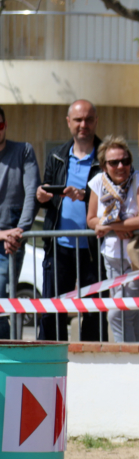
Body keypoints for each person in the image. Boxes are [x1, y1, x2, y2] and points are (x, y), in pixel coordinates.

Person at [36, 99, 106, 341]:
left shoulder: (107, 156)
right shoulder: (56, 155)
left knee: (94, 314)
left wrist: (85, 196)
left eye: (88, 119)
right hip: (59, 248)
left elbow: (115, 193)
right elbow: (46, 197)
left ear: (96, 121)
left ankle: (93, 367)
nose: (83, 124)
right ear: (69, 122)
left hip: (94, 249)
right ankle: (49, 366)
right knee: (52, 313)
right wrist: (41, 195)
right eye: (78, 119)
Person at [86, 137, 139, 343]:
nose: (121, 166)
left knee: (122, 312)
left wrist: (112, 227)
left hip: (134, 256)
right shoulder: (97, 181)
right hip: (111, 256)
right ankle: (135, 357)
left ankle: (129, 358)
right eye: (114, 162)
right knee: (125, 313)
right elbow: (91, 219)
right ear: (104, 165)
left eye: (125, 161)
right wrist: (115, 229)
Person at [0, 105, 40, 338]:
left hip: (10, 245)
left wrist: (18, 232)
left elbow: (31, 194)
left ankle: (5, 355)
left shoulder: (23, 151)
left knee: (4, 299)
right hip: (5, 238)